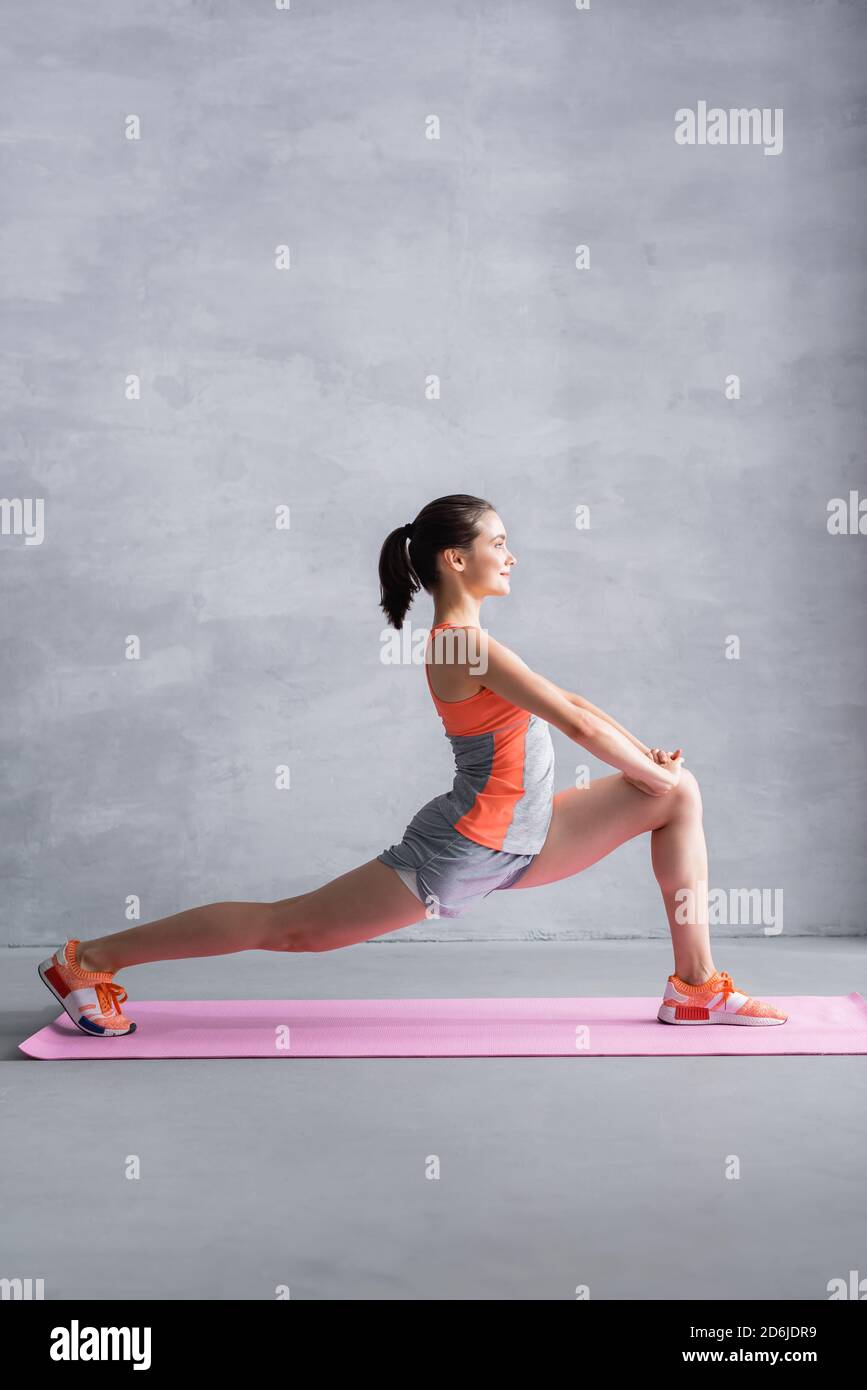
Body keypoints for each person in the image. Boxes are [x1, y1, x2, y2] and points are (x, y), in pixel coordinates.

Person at [38, 492, 786, 1036]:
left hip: (524, 841)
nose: (512, 553)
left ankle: (694, 987)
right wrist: (640, 766)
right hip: (464, 848)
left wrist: (651, 762)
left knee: (675, 793)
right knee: (295, 928)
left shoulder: (477, 640)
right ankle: (89, 959)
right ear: (456, 559)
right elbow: (574, 721)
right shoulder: (460, 643)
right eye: (499, 541)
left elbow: (572, 699)